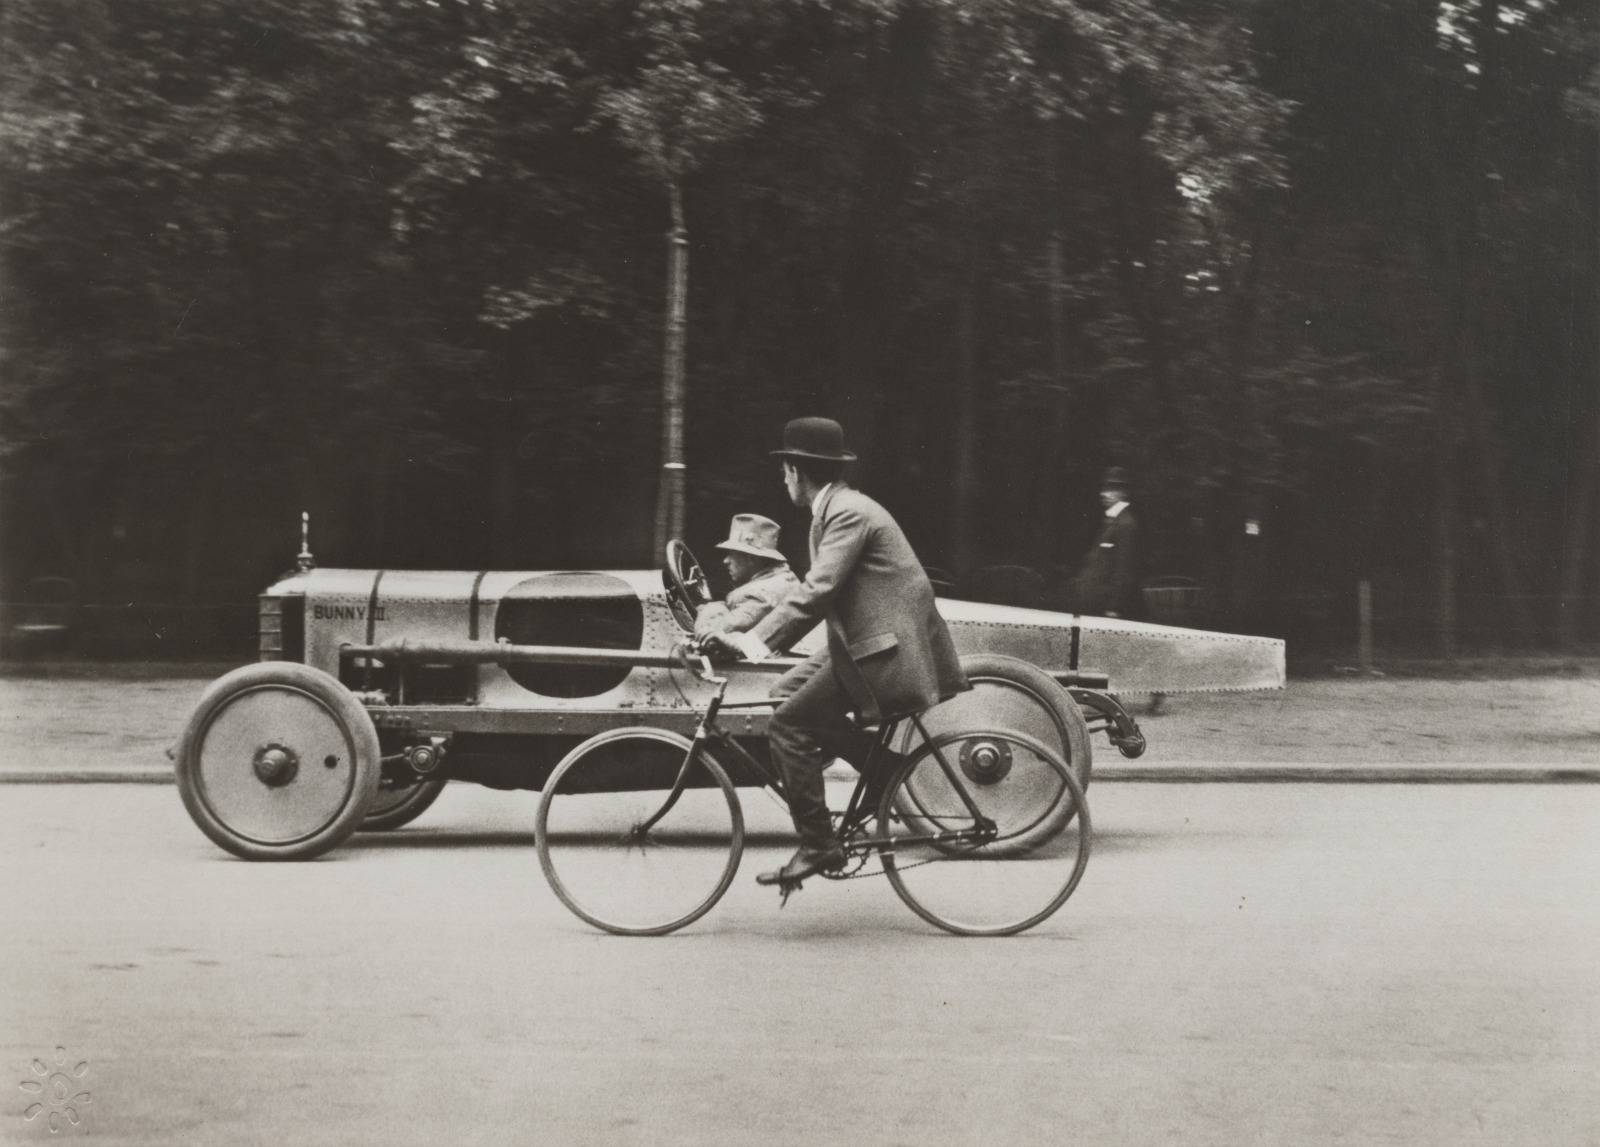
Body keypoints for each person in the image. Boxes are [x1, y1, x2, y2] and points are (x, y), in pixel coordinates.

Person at [711, 418, 970, 885]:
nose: (782, 479)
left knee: (788, 724)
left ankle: (819, 844)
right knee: (786, 690)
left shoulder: (848, 513)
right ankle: (884, 770)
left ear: (795, 470)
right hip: (867, 643)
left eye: (784, 470)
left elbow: (816, 592)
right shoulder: (836, 510)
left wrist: (749, 642)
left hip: (884, 651)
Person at [691, 514, 800, 640]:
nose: (726, 561)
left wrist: (708, 608)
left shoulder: (760, 594)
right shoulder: (783, 579)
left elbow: (708, 632)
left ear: (751, 559)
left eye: (732, 554)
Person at [1071, 466, 1138, 618]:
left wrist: (1114, 607)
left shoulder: (1125, 524)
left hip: (1103, 607)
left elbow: (1123, 569)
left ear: (1123, 493)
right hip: (1091, 602)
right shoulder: (1112, 520)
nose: (1104, 494)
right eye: (1104, 489)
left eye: (1111, 489)